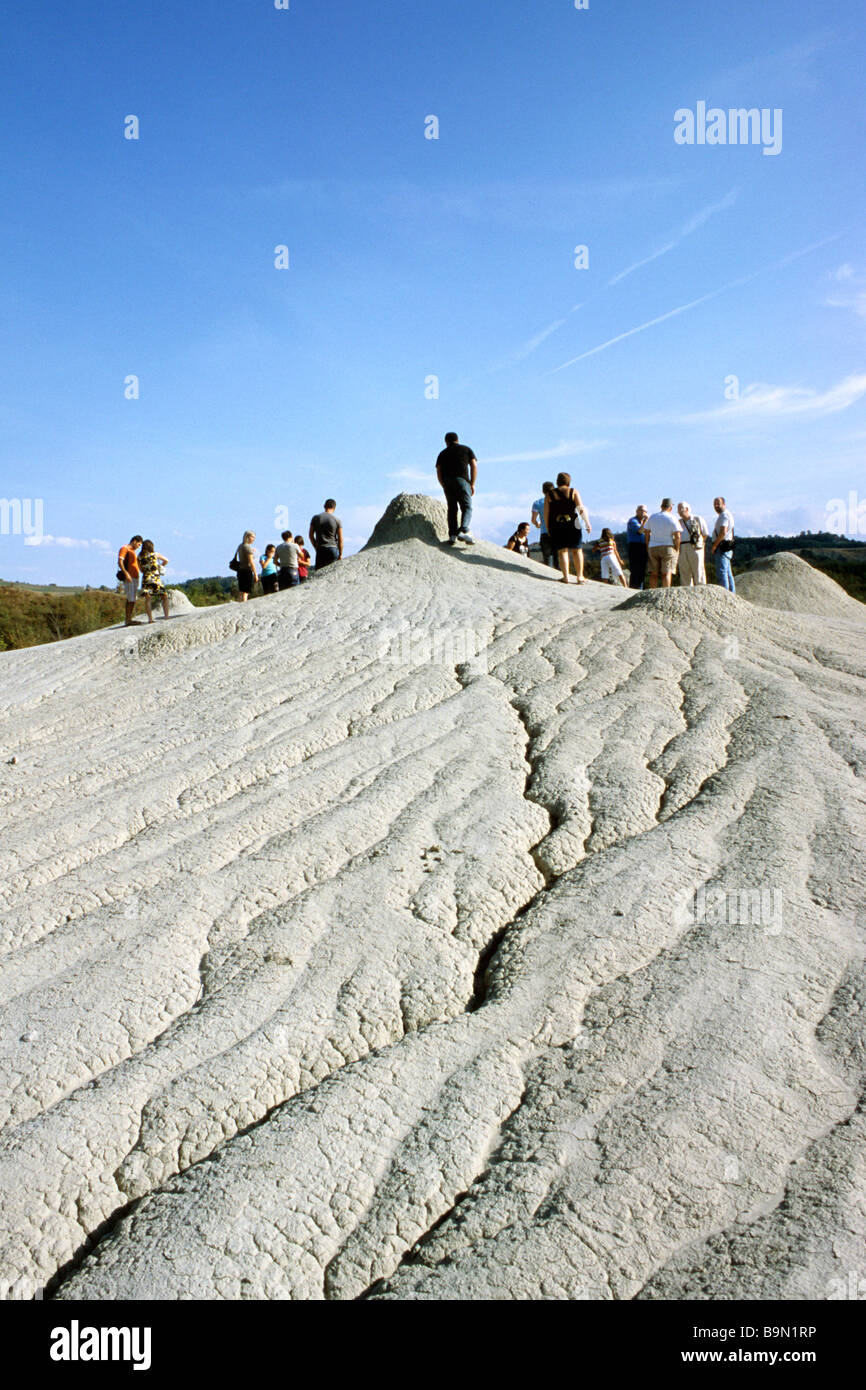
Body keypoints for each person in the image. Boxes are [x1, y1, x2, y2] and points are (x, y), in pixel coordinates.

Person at [544, 472, 590, 584]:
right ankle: (580, 577)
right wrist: (587, 523)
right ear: (568, 481)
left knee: (562, 551)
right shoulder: (573, 491)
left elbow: (546, 513)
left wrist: (548, 527)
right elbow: (581, 509)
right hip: (573, 524)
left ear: (557, 481)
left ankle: (566, 577)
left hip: (557, 525)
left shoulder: (549, 494)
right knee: (577, 550)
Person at [435, 431, 477, 545]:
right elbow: (473, 465)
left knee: (452, 508)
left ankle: (452, 535)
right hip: (462, 480)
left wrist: (443, 484)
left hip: (447, 482)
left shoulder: (442, 453)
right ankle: (463, 530)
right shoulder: (466, 449)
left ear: (446, 442)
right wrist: (472, 484)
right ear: (457, 439)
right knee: (467, 506)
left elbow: (438, 470)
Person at [643, 499, 681, 589]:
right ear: (670, 507)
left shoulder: (652, 517)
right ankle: (666, 592)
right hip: (668, 546)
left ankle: (652, 591)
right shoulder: (672, 518)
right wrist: (677, 548)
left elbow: (647, 532)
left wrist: (648, 544)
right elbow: (678, 535)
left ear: (661, 506)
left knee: (653, 573)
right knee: (666, 572)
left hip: (653, 546)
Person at [677, 502, 709, 586]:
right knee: (684, 571)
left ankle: (702, 589)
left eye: (680, 509)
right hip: (682, 547)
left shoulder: (697, 519)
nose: (678, 511)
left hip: (695, 547)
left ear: (687, 509)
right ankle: (686, 591)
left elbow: (705, 534)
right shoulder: (678, 522)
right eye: (678, 509)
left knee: (698, 570)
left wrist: (700, 543)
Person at [138, 540, 171, 621]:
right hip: (155, 577)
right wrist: (160, 566)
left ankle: (150, 619)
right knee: (164, 596)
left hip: (146, 578)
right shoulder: (155, 554)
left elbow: (141, 570)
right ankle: (166, 617)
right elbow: (166, 560)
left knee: (148, 599)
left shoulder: (139, 557)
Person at [711, 496, 736, 592]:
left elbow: (723, 532)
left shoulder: (724, 516)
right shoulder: (726, 515)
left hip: (722, 547)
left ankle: (725, 594)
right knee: (728, 573)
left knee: (722, 573)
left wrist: (714, 545)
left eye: (718, 503)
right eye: (715, 504)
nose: (716, 506)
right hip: (726, 546)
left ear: (724, 504)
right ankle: (732, 594)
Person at [309, 500, 343, 570]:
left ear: (324, 506)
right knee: (332, 573)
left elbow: (310, 535)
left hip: (321, 548)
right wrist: (340, 554)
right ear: (334, 508)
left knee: (319, 574)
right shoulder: (337, 520)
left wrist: (316, 546)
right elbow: (340, 539)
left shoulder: (316, 518)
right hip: (333, 548)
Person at [118, 535, 143, 626]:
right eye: (139, 544)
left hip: (135, 577)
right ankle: (128, 620)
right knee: (130, 598)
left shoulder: (133, 551)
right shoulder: (125, 548)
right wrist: (126, 573)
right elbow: (120, 562)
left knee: (133, 599)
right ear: (134, 541)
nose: (139, 547)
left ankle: (129, 619)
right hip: (129, 577)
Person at [531, 482, 556, 567]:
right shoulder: (559, 501)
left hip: (544, 532)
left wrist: (537, 524)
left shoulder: (537, 503)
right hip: (558, 533)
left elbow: (533, 520)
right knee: (559, 559)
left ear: (543, 491)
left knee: (547, 559)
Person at [626, 505, 649, 589]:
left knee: (642, 569)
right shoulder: (633, 521)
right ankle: (633, 588)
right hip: (634, 546)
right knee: (635, 569)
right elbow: (640, 531)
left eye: (645, 511)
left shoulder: (644, 522)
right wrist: (646, 520)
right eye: (642, 511)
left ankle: (640, 587)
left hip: (643, 546)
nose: (644, 513)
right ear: (637, 511)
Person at [234, 530, 257, 601]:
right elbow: (251, 562)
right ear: (248, 537)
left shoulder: (240, 546)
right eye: (253, 537)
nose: (254, 539)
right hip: (246, 571)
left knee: (241, 591)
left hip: (240, 570)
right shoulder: (247, 547)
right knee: (245, 592)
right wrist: (255, 574)